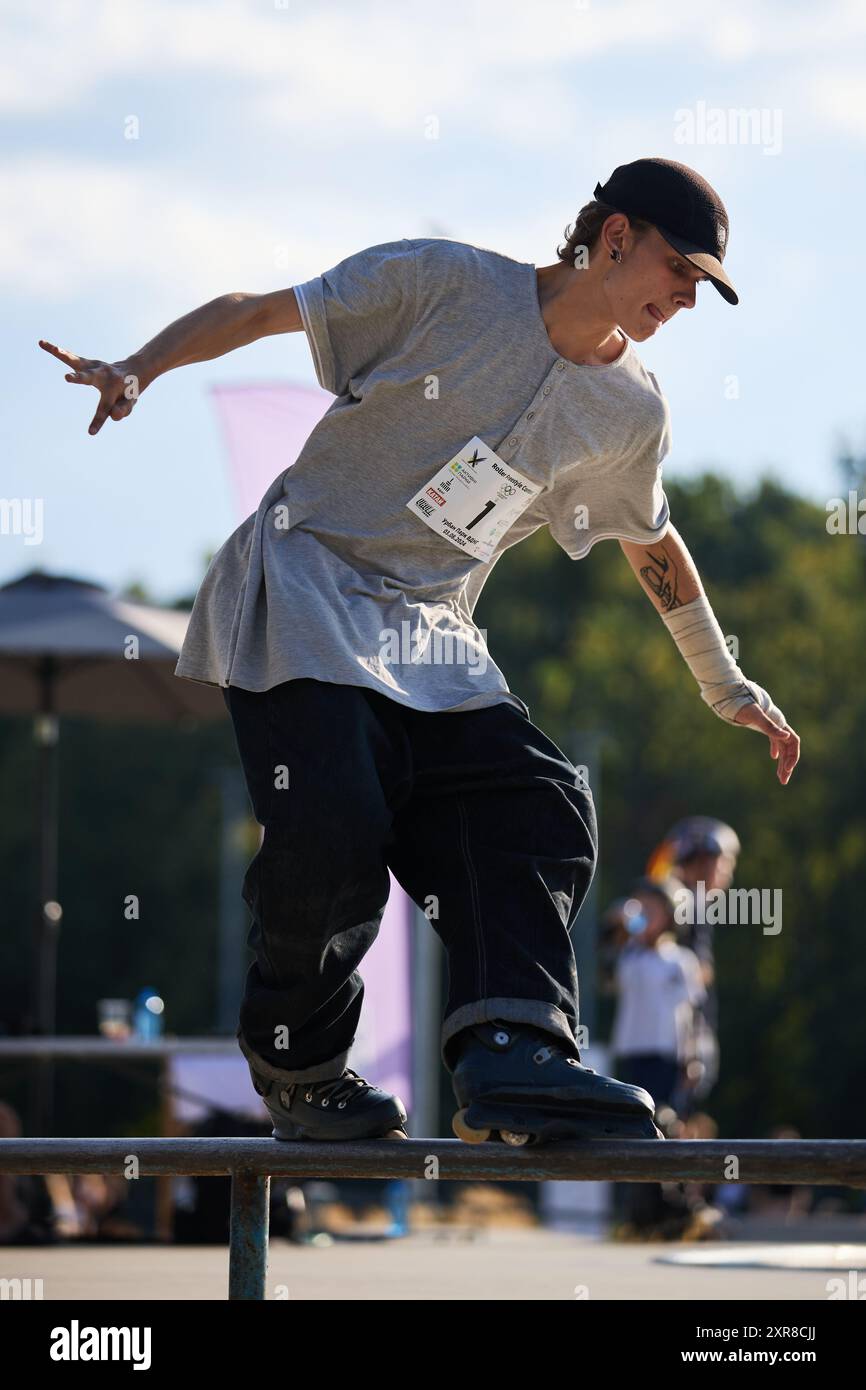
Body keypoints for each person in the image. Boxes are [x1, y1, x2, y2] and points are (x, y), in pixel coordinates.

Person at [39, 157, 800, 1146]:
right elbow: (258, 309)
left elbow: (648, 537)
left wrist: (722, 680)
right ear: (613, 237)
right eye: (676, 269)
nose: (683, 299)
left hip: (430, 636)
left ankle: (510, 1045)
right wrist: (139, 365)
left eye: (700, 287)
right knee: (333, 822)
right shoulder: (441, 284)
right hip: (304, 582)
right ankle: (298, 1062)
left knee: (535, 803)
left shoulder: (629, 411)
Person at [648, 816, 741, 1108]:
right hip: (674, 1041)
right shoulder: (683, 907)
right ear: (700, 862)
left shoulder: (682, 906)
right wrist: (693, 1050)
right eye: (724, 864)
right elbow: (688, 990)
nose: (727, 873)